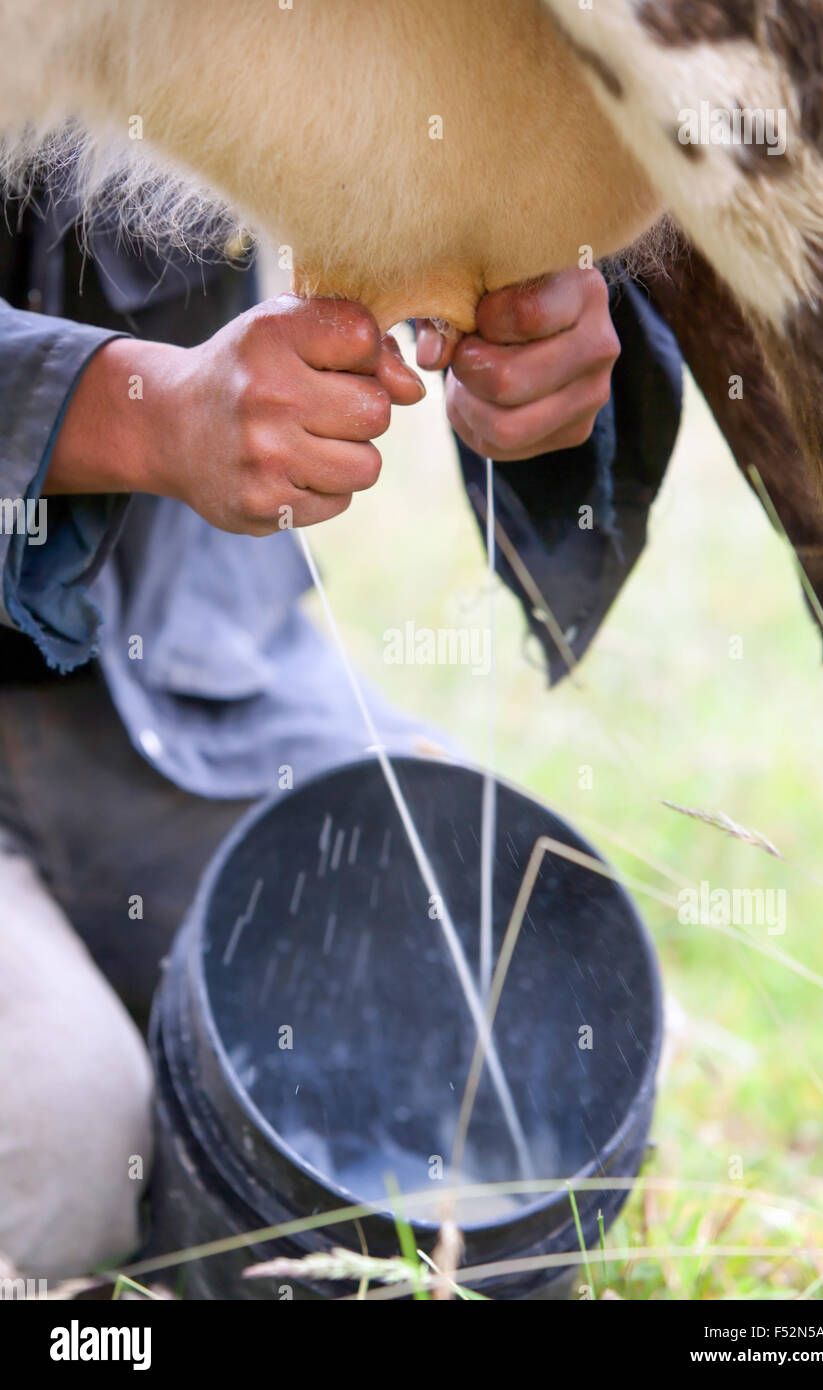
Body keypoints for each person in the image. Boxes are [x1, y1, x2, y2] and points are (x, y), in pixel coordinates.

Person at [0, 186, 682, 1279]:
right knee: (65, 1174)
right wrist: (140, 410)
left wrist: (549, 288)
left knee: (544, 986)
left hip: (177, 669)